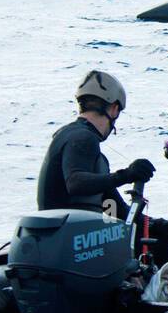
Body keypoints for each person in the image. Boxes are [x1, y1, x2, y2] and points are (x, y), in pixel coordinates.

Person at [37, 70, 155, 218]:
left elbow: (117, 210)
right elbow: (76, 183)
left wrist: (166, 226)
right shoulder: (83, 137)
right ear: (114, 109)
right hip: (69, 230)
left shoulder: (69, 137)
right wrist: (127, 175)